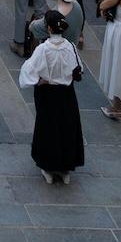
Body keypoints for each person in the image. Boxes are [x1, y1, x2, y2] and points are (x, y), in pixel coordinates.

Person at [19, 11, 86, 184]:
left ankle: (47, 167)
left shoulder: (43, 48)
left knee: (48, 129)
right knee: (66, 128)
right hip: (66, 94)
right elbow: (79, 69)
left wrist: (38, 81)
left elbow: (29, 70)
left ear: (48, 28)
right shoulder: (70, 46)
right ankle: (65, 169)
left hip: (48, 94)